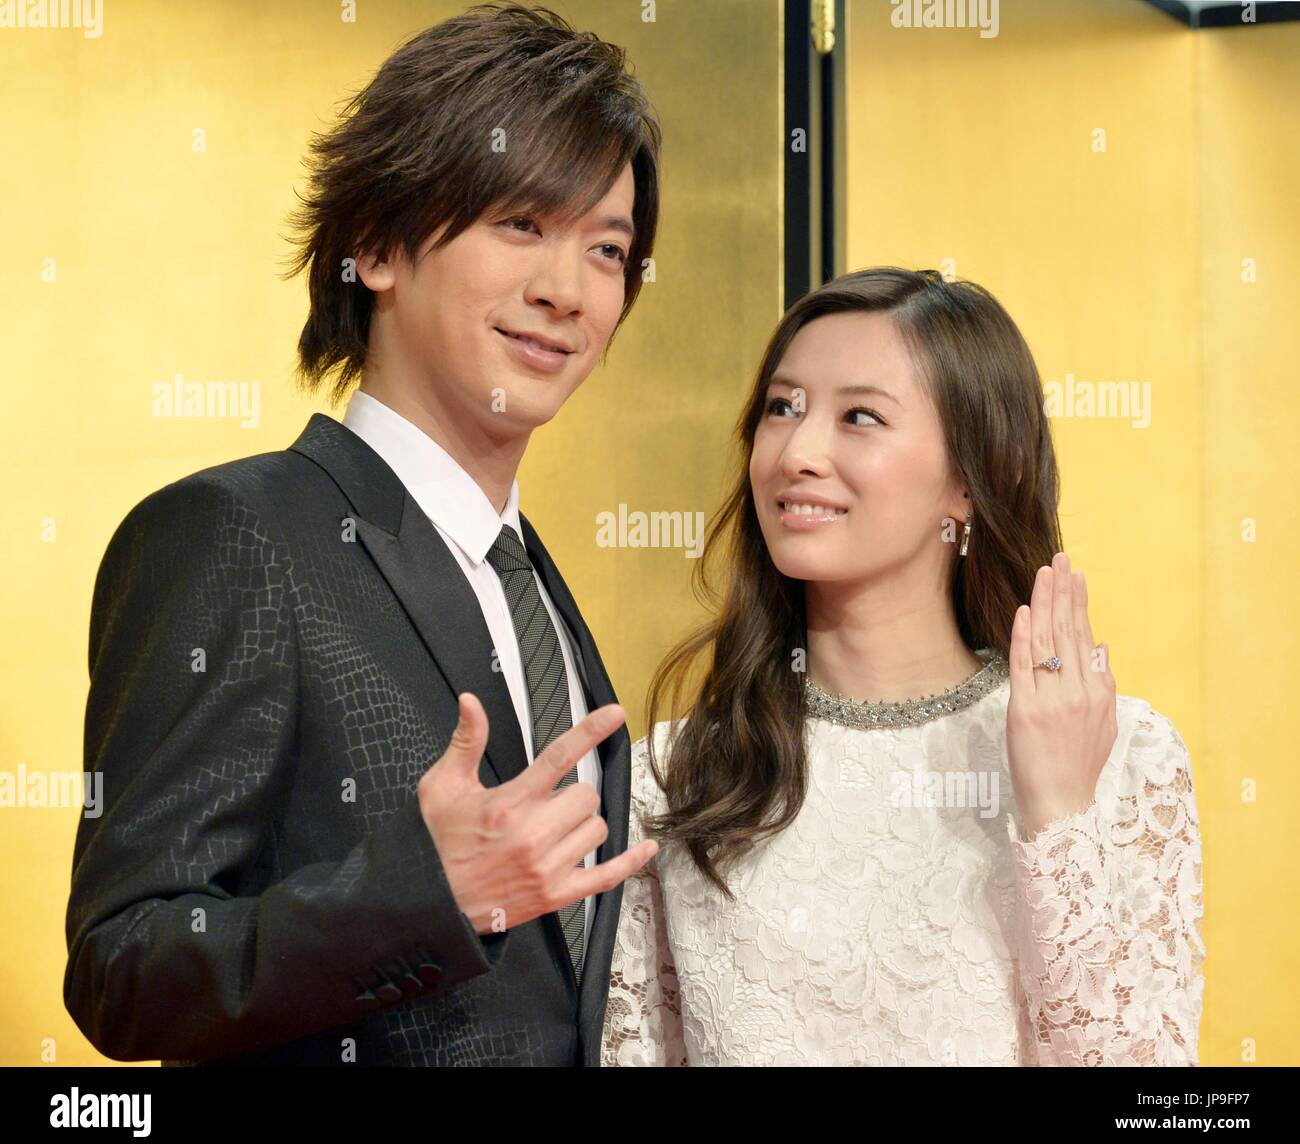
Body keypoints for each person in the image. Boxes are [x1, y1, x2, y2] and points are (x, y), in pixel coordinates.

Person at [64, 2, 663, 1067]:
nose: (565, 290)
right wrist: (425, 894)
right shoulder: (232, 533)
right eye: (522, 224)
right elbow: (125, 964)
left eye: (607, 249)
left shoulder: (535, 588)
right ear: (376, 244)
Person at [601, 267, 1206, 1066]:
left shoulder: (1128, 756)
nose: (798, 453)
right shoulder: (675, 776)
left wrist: (1059, 814)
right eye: (783, 408)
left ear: (969, 479)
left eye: (860, 416)